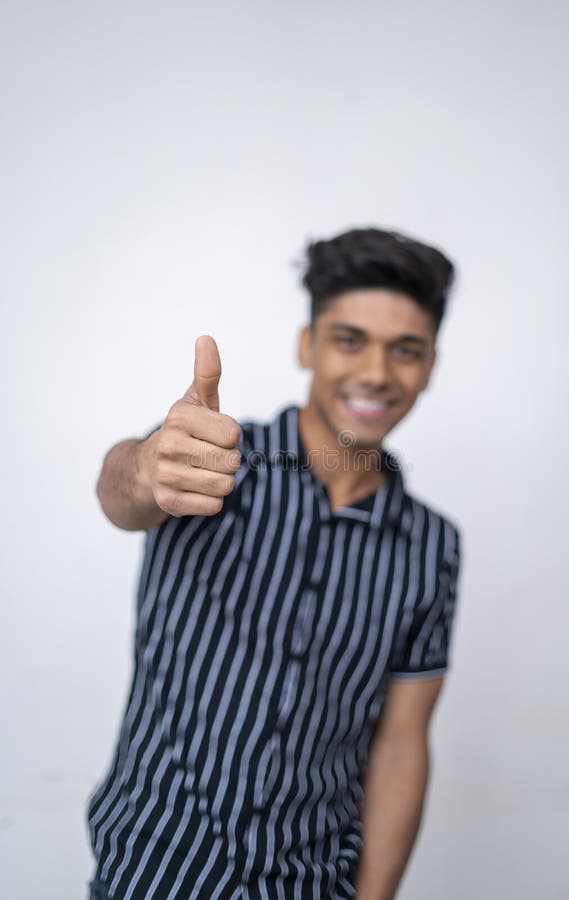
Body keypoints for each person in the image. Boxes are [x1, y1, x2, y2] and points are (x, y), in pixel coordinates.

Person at [86, 227, 462, 900]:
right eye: (350, 340)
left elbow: (402, 744)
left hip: (312, 884)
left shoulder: (432, 545)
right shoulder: (210, 460)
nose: (377, 372)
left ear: (431, 366)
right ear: (307, 344)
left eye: (406, 350)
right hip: (152, 874)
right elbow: (122, 493)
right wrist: (145, 467)